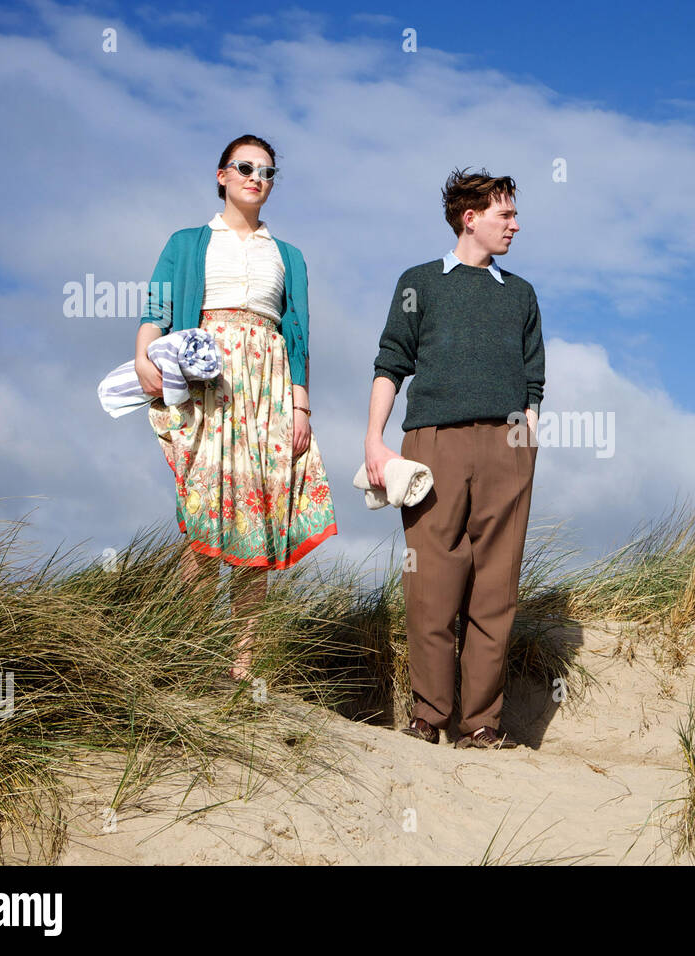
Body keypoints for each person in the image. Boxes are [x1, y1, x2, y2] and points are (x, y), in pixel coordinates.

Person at [135, 134, 337, 681]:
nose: (257, 178)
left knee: (260, 519)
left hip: (270, 385)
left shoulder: (288, 256)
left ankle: (243, 664)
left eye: (268, 172)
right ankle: (191, 651)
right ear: (222, 175)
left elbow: (298, 335)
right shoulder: (187, 241)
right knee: (204, 512)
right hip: (208, 380)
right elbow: (158, 304)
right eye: (245, 168)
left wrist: (301, 408)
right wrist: (142, 354)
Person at [366, 168, 544, 750]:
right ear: (471, 219)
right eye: (505, 215)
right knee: (433, 586)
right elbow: (391, 362)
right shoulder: (419, 283)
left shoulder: (519, 293)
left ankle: (481, 725)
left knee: (496, 590)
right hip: (432, 443)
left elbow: (533, 379)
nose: (515, 225)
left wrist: (528, 437)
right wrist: (375, 440)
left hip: (508, 446)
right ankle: (428, 715)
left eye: (514, 215)